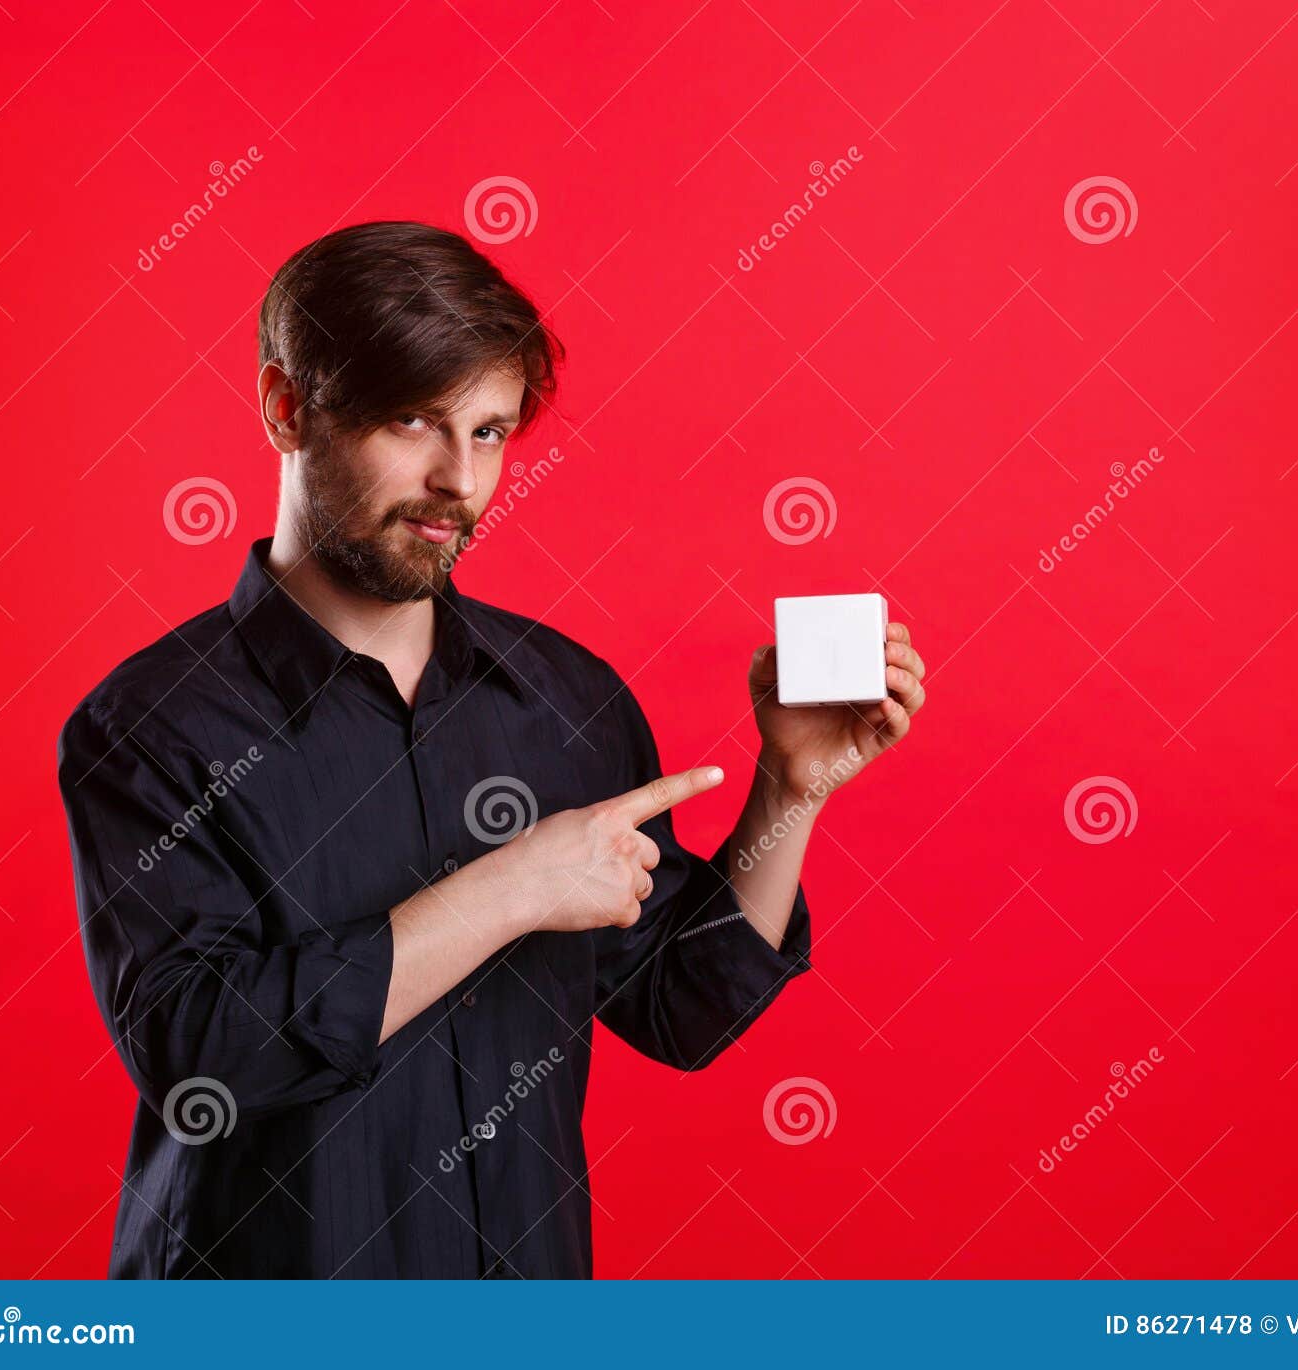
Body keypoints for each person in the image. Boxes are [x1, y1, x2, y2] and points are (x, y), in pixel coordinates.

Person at [56, 221, 925, 1278]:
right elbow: (203, 1057)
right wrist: (508, 890)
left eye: (488, 431)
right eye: (413, 420)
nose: (458, 481)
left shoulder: (566, 701)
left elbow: (680, 1007)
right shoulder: (153, 724)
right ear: (287, 408)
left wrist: (789, 787)